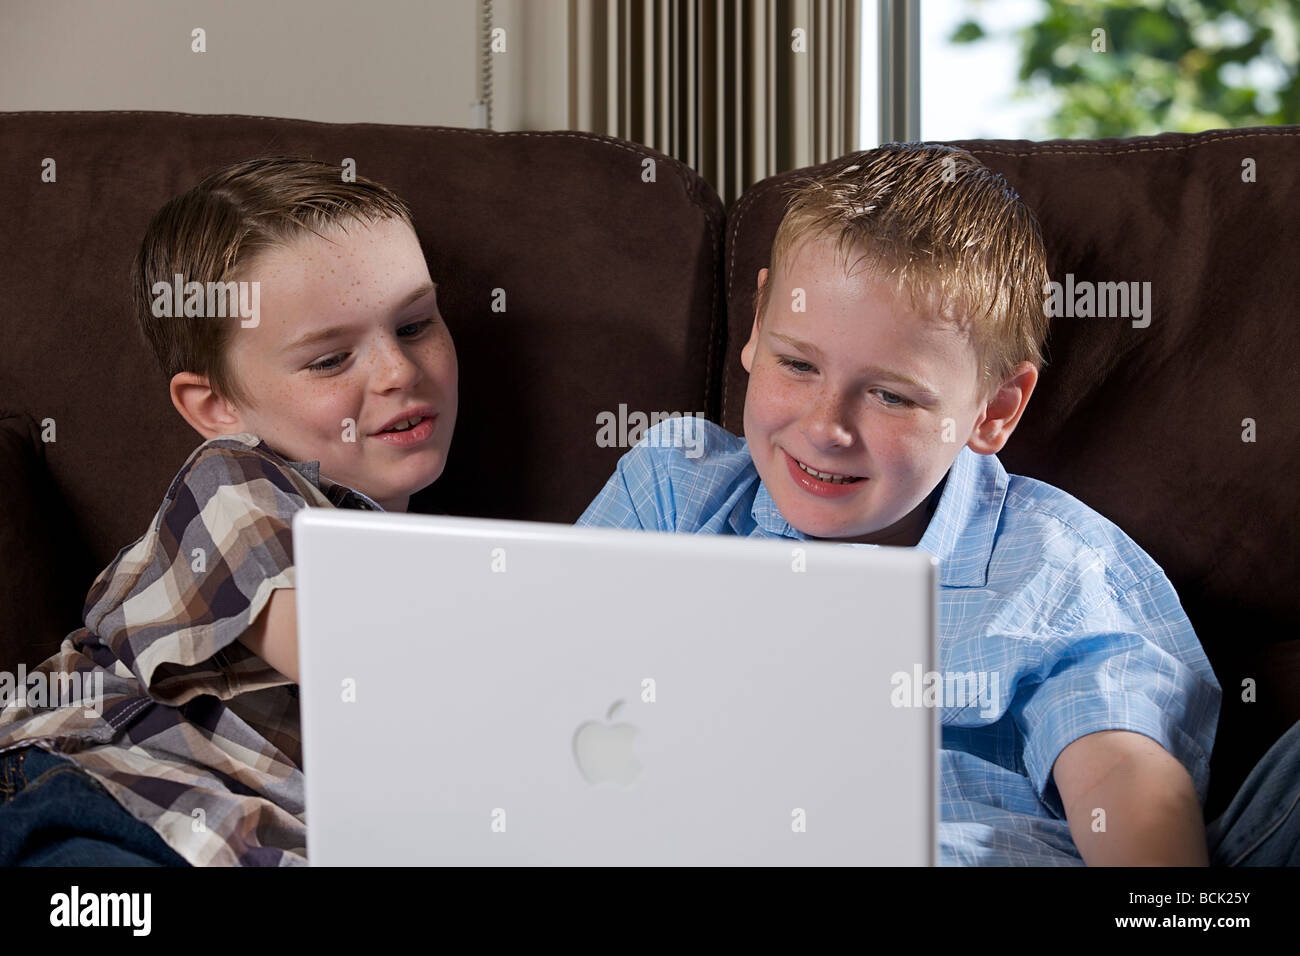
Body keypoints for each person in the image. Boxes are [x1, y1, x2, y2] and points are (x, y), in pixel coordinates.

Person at [578, 142, 1299, 866]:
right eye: (797, 364)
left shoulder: (1050, 560)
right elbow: (547, 675)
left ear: (994, 409)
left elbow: (1120, 770)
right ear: (760, 322)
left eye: (891, 395)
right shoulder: (676, 490)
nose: (825, 428)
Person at [0, 158, 457, 866]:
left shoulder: (431, 554)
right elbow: (357, 662)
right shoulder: (234, 479)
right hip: (102, 791)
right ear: (218, 408)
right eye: (331, 360)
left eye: (416, 324)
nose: (399, 372)